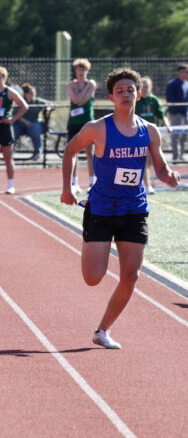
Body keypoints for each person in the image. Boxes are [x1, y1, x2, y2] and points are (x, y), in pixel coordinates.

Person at [60, 68, 180, 349]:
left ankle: (102, 331)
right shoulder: (97, 128)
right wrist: (67, 187)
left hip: (134, 209)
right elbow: (69, 150)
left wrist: (169, 178)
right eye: (119, 91)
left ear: (138, 94)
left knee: (131, 275)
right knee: (92, 278)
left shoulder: (149, 131)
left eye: (130, 90)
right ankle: (93, 247)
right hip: (101, 209)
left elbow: (160, 168)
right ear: (112, 97)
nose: (125, 95)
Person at [0, 66, 27, 194]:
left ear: (4, 78)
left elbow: (24, 106)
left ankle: (11, 185)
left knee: (8, 157)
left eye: (0, 77)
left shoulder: (9, 92)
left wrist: (13, 119)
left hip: (5, 126)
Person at [134, 77, 171, 193]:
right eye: (143, 86)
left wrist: (167, 125)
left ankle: (143, 180)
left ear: (150, 87)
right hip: (138, 132)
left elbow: (161, 114)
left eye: (147, 86)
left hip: (151, 133)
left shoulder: (154, 100)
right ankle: (147, 185)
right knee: (143, 159)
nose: (145, 89)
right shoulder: (136, 100)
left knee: (150, 160)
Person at [67, 59, 97, 190]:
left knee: (90, 152)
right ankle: (74, 182)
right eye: (78, 70)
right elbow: (76, 100)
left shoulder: (91, 84)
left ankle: (92, 181)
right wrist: (84, 91)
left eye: (83, 70)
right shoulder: (70, 85)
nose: (81, 72)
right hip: (74, 121)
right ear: (75, 71)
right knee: (74, 152)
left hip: (87, 121)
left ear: (87, 71)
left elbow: (83, 100)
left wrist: (82, 90)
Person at [14, 83, 51, 161]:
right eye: (31, 93)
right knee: (12, 130)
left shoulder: (37, 101)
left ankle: (38, 152)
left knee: (35, 128)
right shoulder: (21, 101)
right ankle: (10, 151)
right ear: (26, 94)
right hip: (21, 125)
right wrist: (24, 121)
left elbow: (50, 103)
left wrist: (48, 108)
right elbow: (15, 114)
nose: (33, 95)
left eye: (34, 93)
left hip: (34, 124)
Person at [164, 64, 188, 161]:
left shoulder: (186, 83)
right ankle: (175, 157)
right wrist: (175, 112)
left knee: (184, 135)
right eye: (186, 71)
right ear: (180, 72)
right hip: (176, 114)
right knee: (176, 135)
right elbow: (170, 100)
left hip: (185, 114)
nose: (187, 74)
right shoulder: (172, 84)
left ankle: (182, 155)